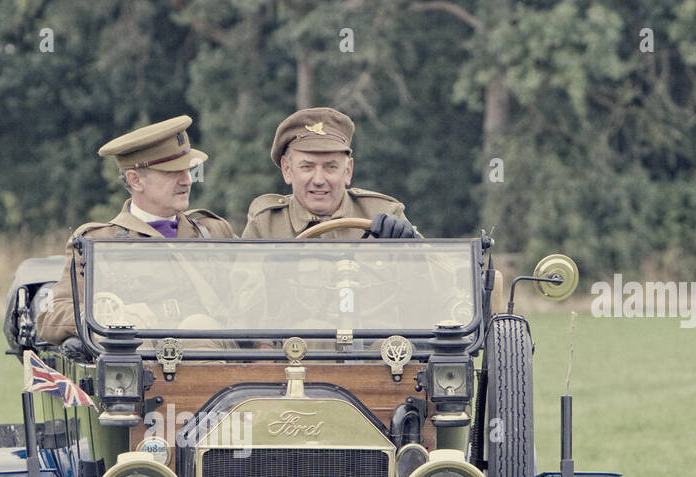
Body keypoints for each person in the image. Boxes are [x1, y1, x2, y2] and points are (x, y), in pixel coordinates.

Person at [38, 115, 236, 346]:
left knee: (200, 326)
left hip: (223, 369)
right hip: (146, 372)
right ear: (136, 180)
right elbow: (51, 316)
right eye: (173, 172)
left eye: (188, 170)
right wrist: (105, 317)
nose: (187, 180)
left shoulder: (213, 231)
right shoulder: (98, 243)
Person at [243, 107, 417, 240]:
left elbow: (439, 279)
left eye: (330, 167)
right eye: (307, 167)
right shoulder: (266, 224)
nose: (319, 180)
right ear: (287, 170)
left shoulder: (384, 214)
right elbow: (244, 286)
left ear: (348, 171)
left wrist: (412, 249)